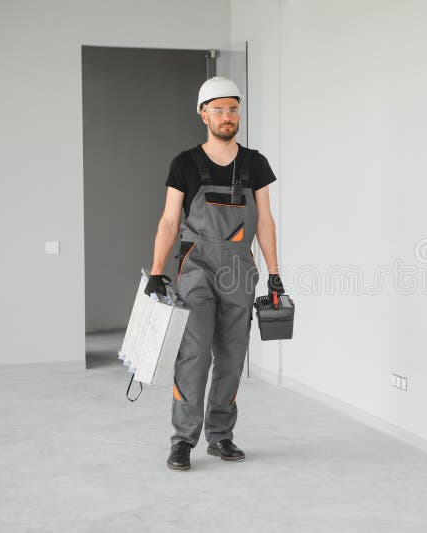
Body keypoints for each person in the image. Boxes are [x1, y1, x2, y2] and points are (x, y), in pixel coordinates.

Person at [145, 76, 284, 471]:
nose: (227, 116)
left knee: (232, 354)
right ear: (202, 113)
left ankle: (221, 436)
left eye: (233, 109)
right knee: (194, 354)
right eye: (219, 109)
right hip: (197, 268)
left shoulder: (255, 163)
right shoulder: (185, 164)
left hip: (240, 267)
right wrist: (157, 270)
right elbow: (170, 220)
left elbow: (266, 222)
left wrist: (274, 273)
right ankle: (183, 440)